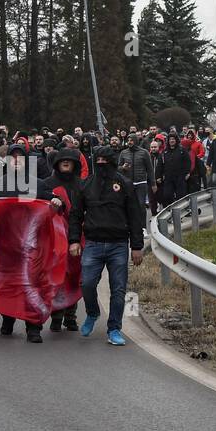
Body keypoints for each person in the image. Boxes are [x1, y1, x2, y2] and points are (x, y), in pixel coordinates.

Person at [68, 146, 145, 346]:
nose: (101, 163)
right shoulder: (85, 185)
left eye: (105, 160)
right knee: (87, 284)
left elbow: (136, 217)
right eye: (98, 160)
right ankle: (93, 313)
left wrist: (137, 246)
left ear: (112, 162)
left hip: (118, 245)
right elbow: (75, 215)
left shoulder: (125, 184)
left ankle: (114, 329)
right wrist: (74, 240)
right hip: (93, 244)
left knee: (118, 289)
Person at [0, 143, 44, 342]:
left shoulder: (38, 185)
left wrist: (58, 203)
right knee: (7, 285)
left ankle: (33, 327)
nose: (16, 160)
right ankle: (8, 318)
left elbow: (52, 208)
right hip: (5, 244)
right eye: (12, 156)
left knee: (31, 286)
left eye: (20, 157)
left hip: (32, 245)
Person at [39, 147, 84, 333]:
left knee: (74, 276)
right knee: (57, 276)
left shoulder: (82, 184)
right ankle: (56, 315)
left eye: (69, 160)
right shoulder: (46, 184)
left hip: (78, 236)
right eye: (62, 160)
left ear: (75, 164)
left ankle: (71, 316)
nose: (66, 162)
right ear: (57, 163)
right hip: (54, 238)